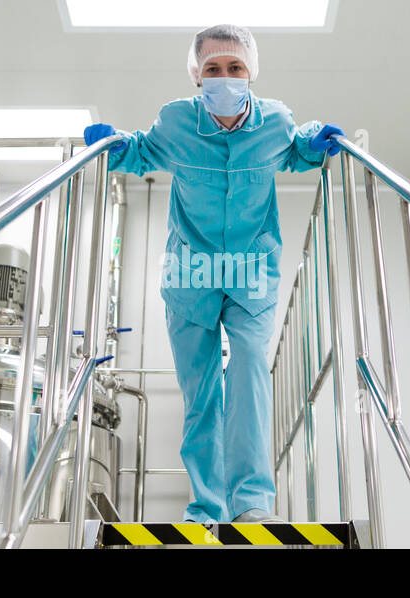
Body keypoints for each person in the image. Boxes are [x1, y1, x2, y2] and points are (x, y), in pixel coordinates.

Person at [84, 24, 343, 524]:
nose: (225, 76)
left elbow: (295, 152)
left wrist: (315, 144)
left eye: (235, 67)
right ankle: (206, 506)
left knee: (248, 372)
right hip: (190, 276)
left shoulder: (274, 121)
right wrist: (114, 146)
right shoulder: (177, 121)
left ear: (251, 72)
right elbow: (143, 150)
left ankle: (251, 503)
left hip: (251, 274)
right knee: (201, 393)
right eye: (213, 68)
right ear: (196, 76)